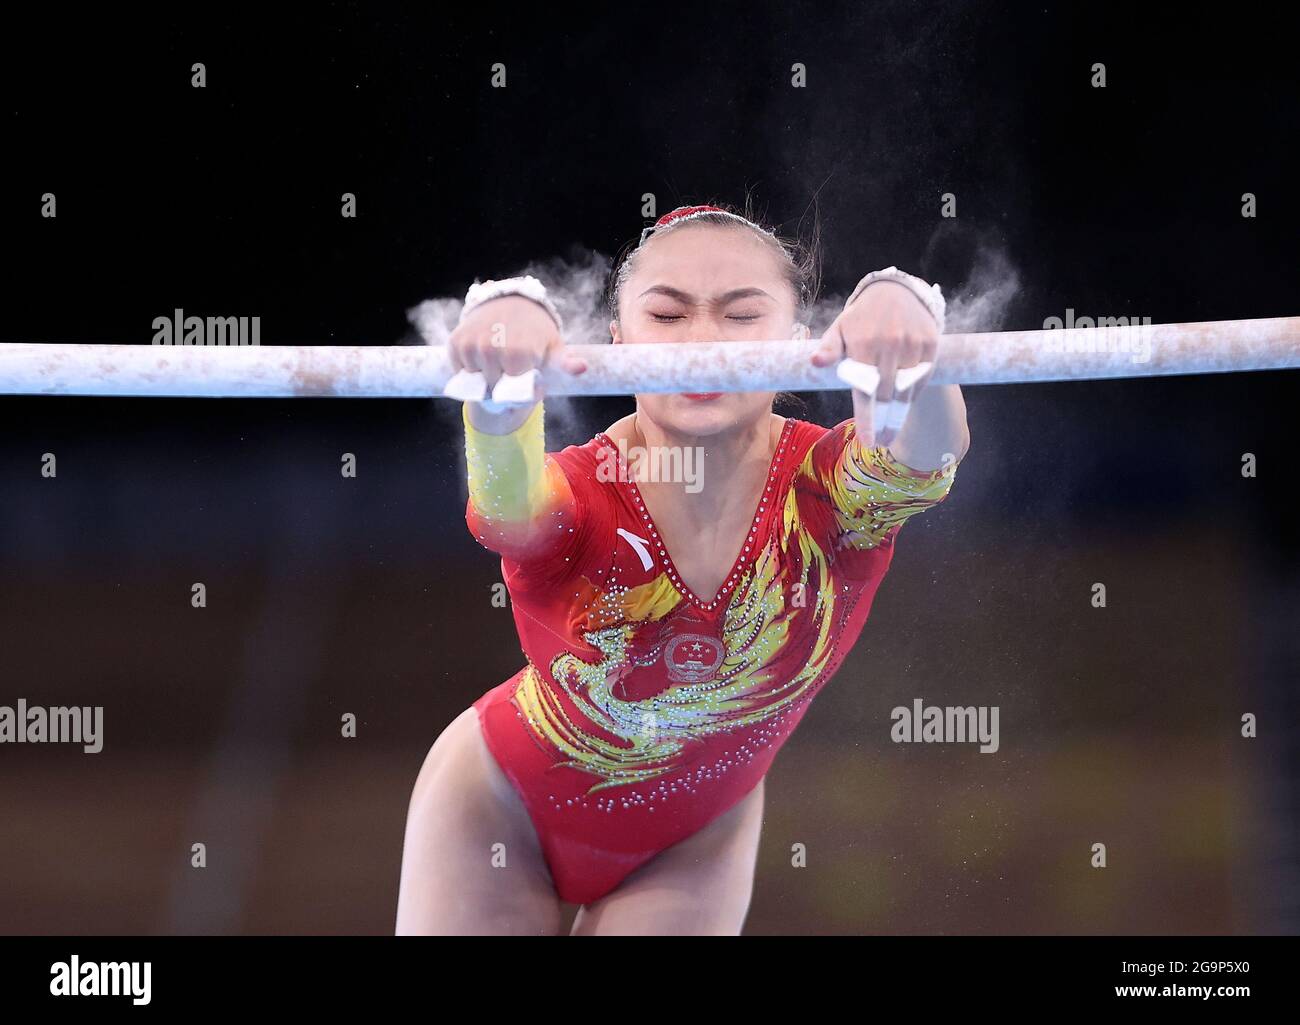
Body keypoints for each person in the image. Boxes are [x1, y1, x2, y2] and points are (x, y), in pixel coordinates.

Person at [395, 203, 970, 935]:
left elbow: (927, 456)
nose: (701, 342)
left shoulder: (828, 498)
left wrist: (907, 317)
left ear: (799, 339)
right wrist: (502, 395)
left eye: (741, 314)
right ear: (617, 341)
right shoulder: (583, 494)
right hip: (496, 810)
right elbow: (506, 506)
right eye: (666, 315)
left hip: (693, 846)